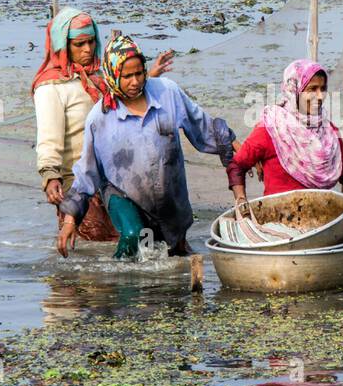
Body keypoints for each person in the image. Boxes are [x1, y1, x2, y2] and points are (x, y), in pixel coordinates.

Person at [56, 33, 235, 259]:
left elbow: (201, 124)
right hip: (122, 193)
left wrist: (236, 144)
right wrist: (70, 219)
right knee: (133, 234)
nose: (135, 82)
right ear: (112, 75)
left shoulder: (167, 92)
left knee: (171, 255)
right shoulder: (100, 118)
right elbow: (87, 172)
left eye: (139, 73)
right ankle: (120, 283)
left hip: (169, 195)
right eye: (127, 76)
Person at [32, 7, 172, 240]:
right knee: (96, 243)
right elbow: (49, 138)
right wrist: (50, 176)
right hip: (77, 182)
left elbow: (123, 103)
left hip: (114, 176)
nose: (87, 49)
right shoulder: (51, 88)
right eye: (79, 45)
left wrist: (150, 77)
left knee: (135, 237)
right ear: (63, 45)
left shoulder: (99, 77)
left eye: (90, 42)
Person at [226, 58, 343, 205]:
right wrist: (241, 200)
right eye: (312, 89)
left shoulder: (328, 130)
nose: (319, 96)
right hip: (277, 217)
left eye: (323, 89)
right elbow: (237, 166)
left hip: (319, 216)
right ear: (294, 90)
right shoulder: (272, 128)